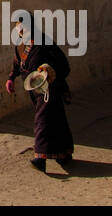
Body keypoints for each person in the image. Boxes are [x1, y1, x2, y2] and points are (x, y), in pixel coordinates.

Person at [5, 12, 74, 171]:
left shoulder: (44, 41)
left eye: (21, 24)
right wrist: (11, 78)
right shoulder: (21, 45)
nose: (19, 28)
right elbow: (17, 63)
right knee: (56, 120)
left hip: (49, 88)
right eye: (17, 25)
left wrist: (49, 71)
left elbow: (63, 64)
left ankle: (40, 157)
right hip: (33, 90)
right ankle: (63, 153)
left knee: (42, 120)